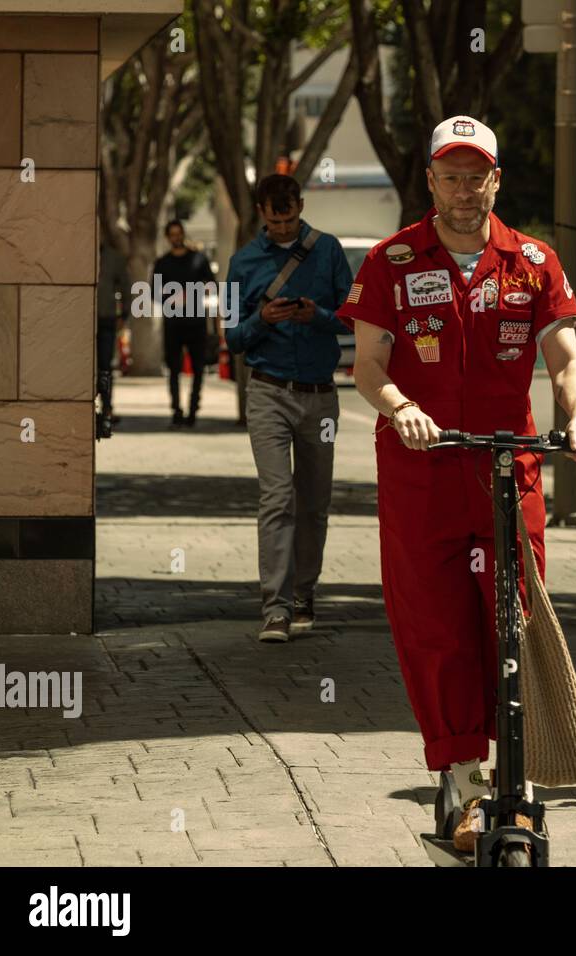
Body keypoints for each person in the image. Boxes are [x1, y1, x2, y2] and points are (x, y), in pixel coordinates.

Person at [338, 115, 576, 853]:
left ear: (496, 180)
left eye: (475, 174)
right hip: (422, 473)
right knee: (438, 630)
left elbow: (567, 356)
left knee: (514, 623)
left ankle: (515, 782)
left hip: (507, 474)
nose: (463, 189)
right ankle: (460, 777)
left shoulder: (532, 261)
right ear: (430, 181)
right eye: (449, 175)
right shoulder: (393, 260)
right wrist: (402, 408)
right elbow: (367, 365)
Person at [225, 175, 354, 643]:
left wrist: (314, 315)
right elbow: (232, 337)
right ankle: (274, 607)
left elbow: (355, 314)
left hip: (320, 395)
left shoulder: (329, 250)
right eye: (275, 220)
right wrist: (263, 319)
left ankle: (303, 592)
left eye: (290, 218)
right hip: (268, 393)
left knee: (315, 501)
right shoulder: (243, 262)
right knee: (277, 497)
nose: (283, 228)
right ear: (261, 211)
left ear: (301, 206)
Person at [152, 220, 217, 428]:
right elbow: (154, 292)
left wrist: (196, 293)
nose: (176, 237)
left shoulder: (199, 259)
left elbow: (212, 285)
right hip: (173, 324)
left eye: (178, 233)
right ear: (167, 237)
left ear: (183, 234)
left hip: (196, 322)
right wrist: (173, 300)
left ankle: (193, 410)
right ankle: (176, 409)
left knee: (198, 369)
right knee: (173, 369)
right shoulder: (162, 263)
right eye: (172, 234)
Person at [97, 240, 130, 429]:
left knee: (105, 366)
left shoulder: (114, 258)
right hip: (82, 320)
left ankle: (107, 407)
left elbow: (125, 285)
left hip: (106, 318)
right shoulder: (79, 251)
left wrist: (123, 314)